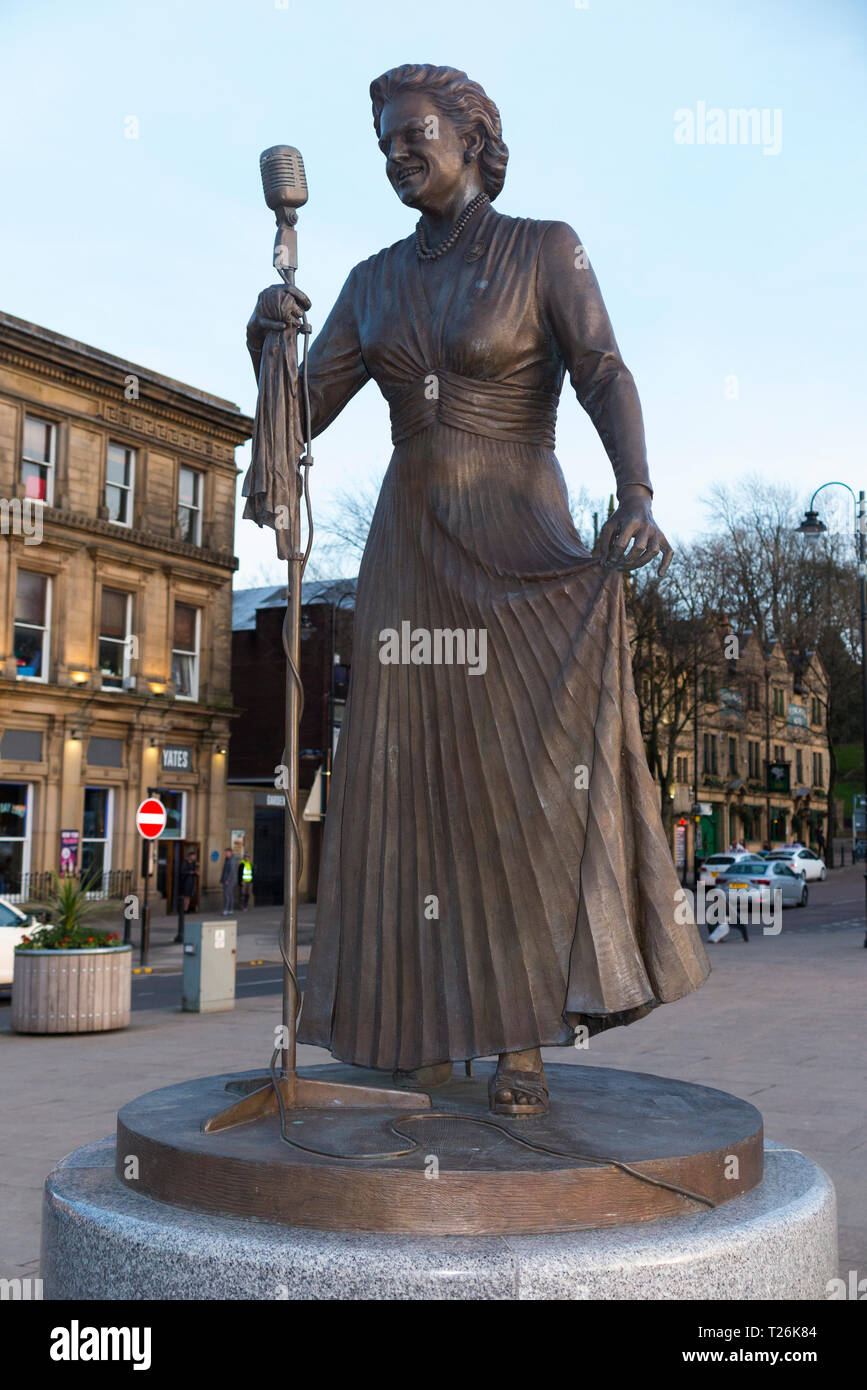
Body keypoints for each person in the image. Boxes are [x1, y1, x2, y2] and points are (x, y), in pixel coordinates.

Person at [247, 64, 709, 1117]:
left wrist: (635, 490)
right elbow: (301, 416)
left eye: (411, 134)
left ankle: (518, 1037)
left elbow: (602, 368)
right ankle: (413, 1023)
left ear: (472, 136)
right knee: (409, 784)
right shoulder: (369, 281)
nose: (394, 154)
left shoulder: (544, 248)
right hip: (409, 551)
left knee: (525, 794)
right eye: (382, 143)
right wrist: (270, 340)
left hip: (519, 542)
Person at [219, 847, 237, 916]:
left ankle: (226, 910)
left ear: (230, 853)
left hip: (230, 880)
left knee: (226, 894)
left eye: (227, 852)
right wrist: (222, 879)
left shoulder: (232, 860)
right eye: (226, 852)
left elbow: (231, 871)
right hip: (229, 880)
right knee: (230, 894)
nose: (226, 854)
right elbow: (225, 870)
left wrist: (227, 880)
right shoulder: (228, 859)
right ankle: (230, 909)